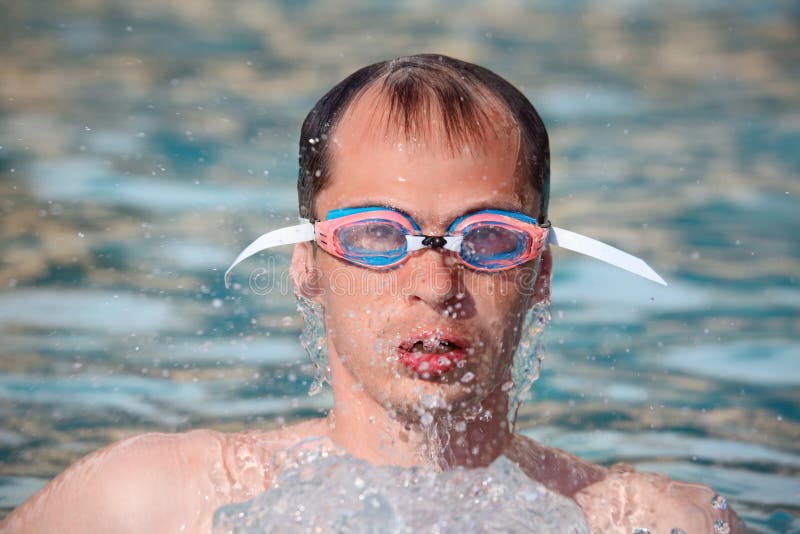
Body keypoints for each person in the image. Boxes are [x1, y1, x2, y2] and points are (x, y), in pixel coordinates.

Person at [3, 54, 741, 533]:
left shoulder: (650, 523)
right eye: (378, 236)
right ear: (306, 266)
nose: (435, 286)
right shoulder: (154, 504)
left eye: (487, 239)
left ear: (539, 271)